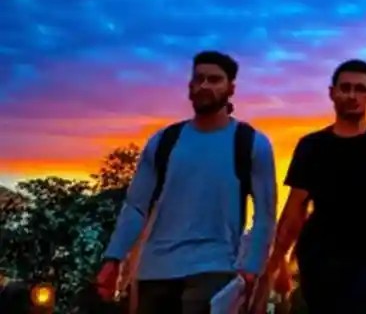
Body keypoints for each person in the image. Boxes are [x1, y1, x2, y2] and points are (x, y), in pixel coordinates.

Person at [95, 51, 277, 314]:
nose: (205, 86)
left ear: (231, 88)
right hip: (155, 270)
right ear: (190, 86)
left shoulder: (250, 143)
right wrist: (113, 258)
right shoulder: (164, 141)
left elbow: (265, 214)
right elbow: (136, 206)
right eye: (199, 79)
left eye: (214, 80)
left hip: (215, 268)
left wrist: (251, 268)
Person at [258, 59, 366, 314]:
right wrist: (278, 261)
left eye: (359, 89)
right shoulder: (312, 146)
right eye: (345, 88)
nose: (351, 95)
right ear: (332, 93)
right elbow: (295, 208)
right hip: (317, 256)